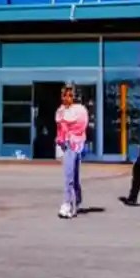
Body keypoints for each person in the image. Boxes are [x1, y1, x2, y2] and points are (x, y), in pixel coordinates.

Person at [55, 82, 89, 219]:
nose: (67, 98)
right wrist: (60, 142)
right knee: (71, 175)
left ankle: (68, 204)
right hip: (66, 145)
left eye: (70, 95)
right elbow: (60, 129)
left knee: (71, 175)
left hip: (76, 144)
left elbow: (80, 125)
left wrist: (69, 129)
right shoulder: (60, 111)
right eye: (64, 95)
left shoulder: (80, 110)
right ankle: (75, 201)